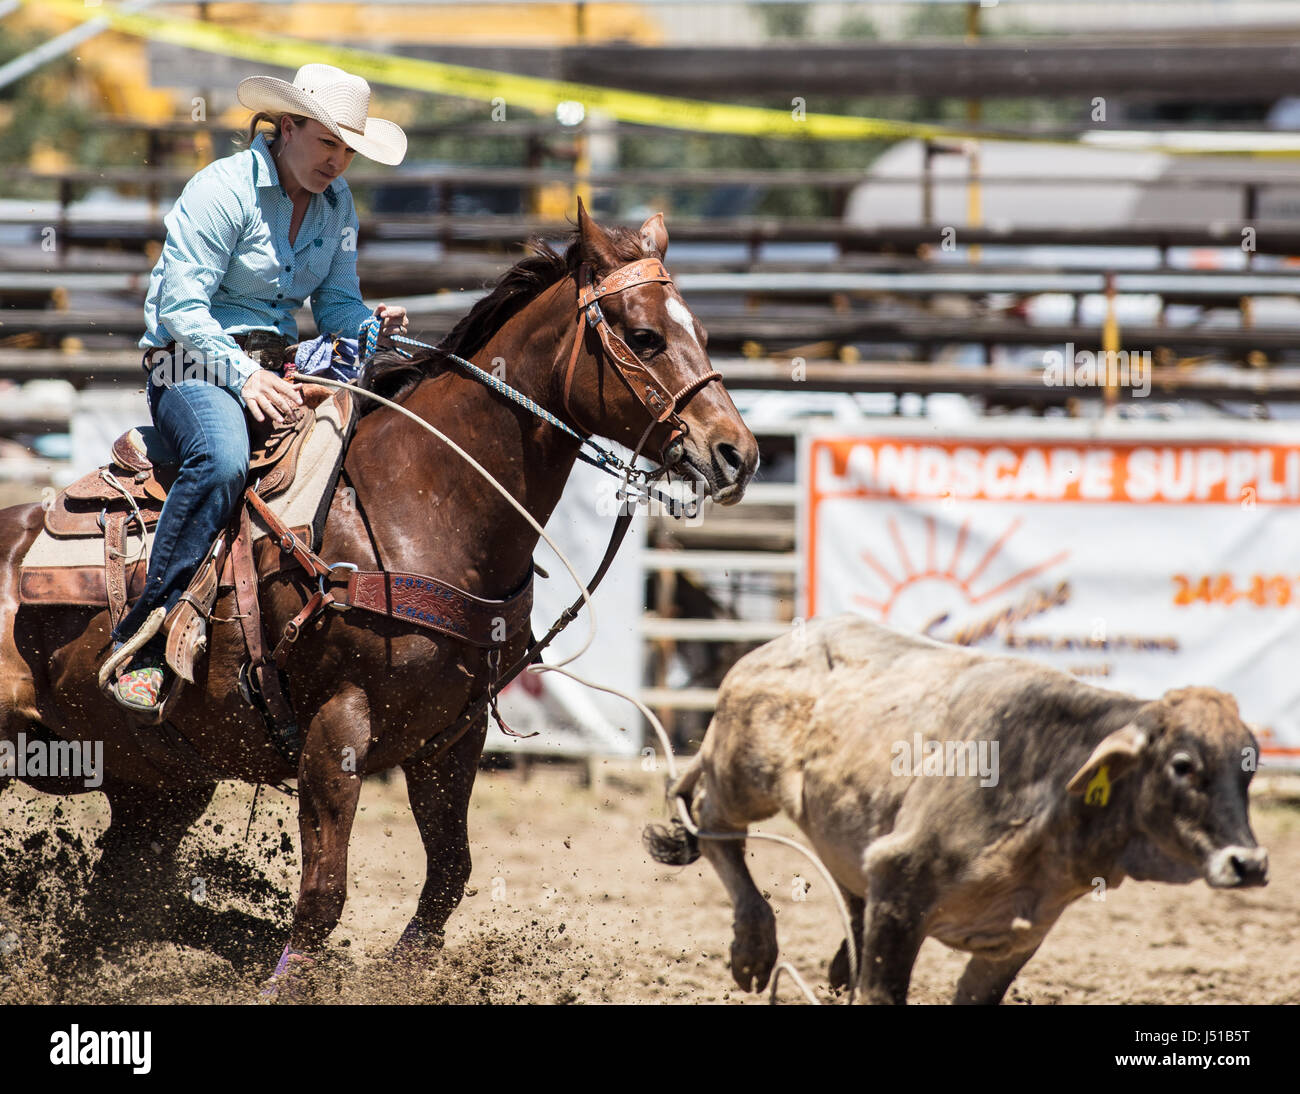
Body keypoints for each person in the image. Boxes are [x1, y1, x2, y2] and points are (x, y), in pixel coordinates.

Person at [106, 63, 410, 713]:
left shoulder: (338, 205)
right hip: (191, 366)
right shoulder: (222, 190)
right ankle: (144, 641)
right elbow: (181, 312)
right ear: (287, 126)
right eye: (328, 143)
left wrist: (367, 325)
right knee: (220, 460)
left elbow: (336, 305)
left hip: (283, 369)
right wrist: (243, 376)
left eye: (349, 149)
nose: (339, 161)